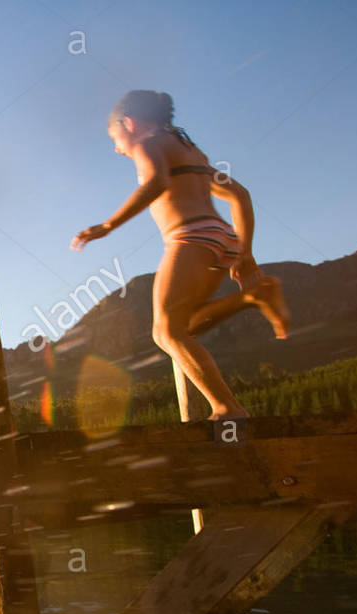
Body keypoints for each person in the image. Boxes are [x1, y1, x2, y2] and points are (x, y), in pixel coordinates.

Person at [72, 90, 290, 420]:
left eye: (115, 138)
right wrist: (244, 253)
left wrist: (108, 225)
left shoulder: (148, 144)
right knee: (184, 326)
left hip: (190, 238)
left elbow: (157, 182)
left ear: (129, 124)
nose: (117, 149)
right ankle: (253, 297)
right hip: (221, 238)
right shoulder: (190, 152)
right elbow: (239, 195)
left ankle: (227, 408)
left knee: (165, 332)